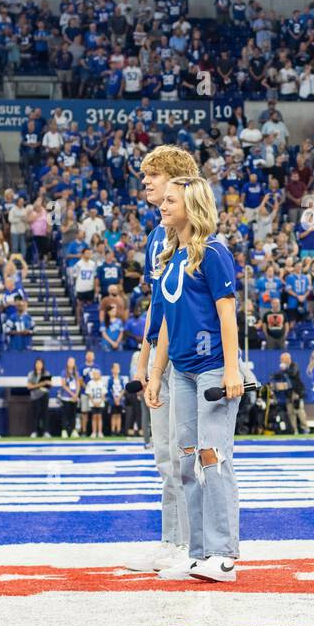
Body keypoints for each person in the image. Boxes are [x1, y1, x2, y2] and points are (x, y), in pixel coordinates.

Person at [143, 175, 245, 582]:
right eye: (163, 200)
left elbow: (226, 313)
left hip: (213, 369)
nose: (163, 206)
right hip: (181, 372)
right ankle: (197, 551)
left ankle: (223, 553)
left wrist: (233, 368)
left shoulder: (214, 251)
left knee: (212, 455)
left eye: (171, 201)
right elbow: (166, 321)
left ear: (192, 205)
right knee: (187, 460)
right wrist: (155, 373)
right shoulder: (171, 257)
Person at [127, 144, 199, 573]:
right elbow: (157, 303)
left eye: (154, 175)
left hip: (187, 353)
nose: (147, 183)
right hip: (161, 352)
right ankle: (172, 538)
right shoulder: (156, 235)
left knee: (184, 452)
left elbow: (180, 306)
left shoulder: (192, 231)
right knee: (164, 455)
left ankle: (190, 542)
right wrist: (146, 356)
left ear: (177, 179)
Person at [26, 359, 53, 438]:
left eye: (40, 363)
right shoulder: (31, 374)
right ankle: (34, 431)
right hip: (35, 397)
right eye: (37, 363)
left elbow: (49, 385)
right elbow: (29, 386)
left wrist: (46, 384)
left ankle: (45, 431)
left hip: (44, 396)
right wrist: (41, 384)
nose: (39, 365)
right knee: (35, 415)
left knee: (45, 414)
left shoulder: (46, 373)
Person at [58, 357, 82, 437]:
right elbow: (63, 385)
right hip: (66, 397)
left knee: (73, 414)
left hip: (74, 398)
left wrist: (76, 394)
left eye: (73, 362)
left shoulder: (76, 373)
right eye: (70, 362)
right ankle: (64, 430)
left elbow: (78, 384)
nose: (71, 363)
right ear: (67, 363)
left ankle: (73, 430)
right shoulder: (64, 372)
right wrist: (71, 393)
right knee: (65, 414)